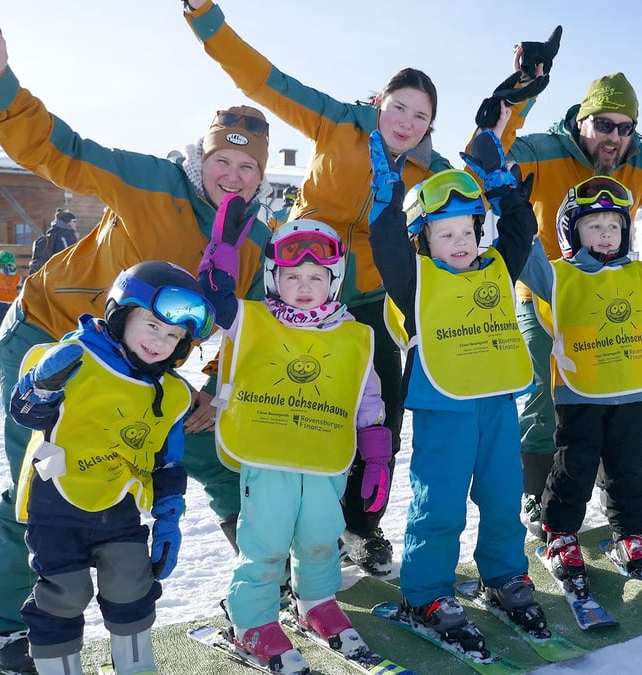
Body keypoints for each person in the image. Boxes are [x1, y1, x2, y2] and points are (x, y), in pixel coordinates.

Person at [0, 12, 275, 671]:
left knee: (224, 460)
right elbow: (64, 150)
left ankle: (266, 590)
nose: (233, 175)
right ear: (201, 159)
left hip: (148, 364)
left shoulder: (254, 240)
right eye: (222, 160)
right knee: (45, 479)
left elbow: (236, 325)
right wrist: (0, 87)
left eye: (248, 166)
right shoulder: (150, 182)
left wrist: (209, 389)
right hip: (54, 336)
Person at [181, 0, 455, 575]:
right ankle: (265, 526)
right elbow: (265, 80)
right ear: (379, 104)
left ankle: (359, 527)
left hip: (370, 301)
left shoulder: (430, 171)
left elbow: (480, 189)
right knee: (280, 396)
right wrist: (207, 20)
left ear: (430, 125)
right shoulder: (338, 123)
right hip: (299, 282)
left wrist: (514, 107)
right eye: (398, 107)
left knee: (380, 415)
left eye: (420, 116)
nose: (406, 122)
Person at [489, 44, 642, 538]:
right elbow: (490, 157)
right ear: (582, 120)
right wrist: (521, 91)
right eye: (603, 125)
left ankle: (606, 481)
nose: (614, 137)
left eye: (624, 128)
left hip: (610, 294)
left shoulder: (638, 159)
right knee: (544, 397)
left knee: (615, 397)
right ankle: (538, 492)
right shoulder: (543, 151)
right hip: (547, 291)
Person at [368, 131, 545, 654]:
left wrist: (503, 189)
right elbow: (387, 246)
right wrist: (385, 198)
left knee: (503, 496)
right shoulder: (415, 281)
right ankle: (425, 593)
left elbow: (521, 231)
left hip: (496, 404)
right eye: (444, 234)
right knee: (440, 503)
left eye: (467, 230)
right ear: (423, 240)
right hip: (442, 408)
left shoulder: (497, 269)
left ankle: (505, 575)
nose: (460, 241)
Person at [198, 195, 388, 671]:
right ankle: (252, 620)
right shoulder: (253, 320)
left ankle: (317, 601)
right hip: (268, 458)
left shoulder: (352, 334)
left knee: (322, 536)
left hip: (324, 458)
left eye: (316, 277)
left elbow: (366, 395)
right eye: (293, 277)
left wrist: (377, 456)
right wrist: (221, 254)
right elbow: (215, 303)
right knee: (265, 540)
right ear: (273, 278)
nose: (304, 286)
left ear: (333, 281)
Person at [9, 261, 212, 675]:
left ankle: (136, 667)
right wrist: (41, 385)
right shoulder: (77, 357)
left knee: (131, 583)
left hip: (120, 504)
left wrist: (168, 518)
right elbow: (26, 413)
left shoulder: (172, 392)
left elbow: (166, 461)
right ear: (121, 313)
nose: (160, 341)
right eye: (152, 325)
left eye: (174, 336)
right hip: (57, 503)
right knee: (64, 592)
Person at [520, 171, 642, 588]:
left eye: (613, 225)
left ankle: (631, 535)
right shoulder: (559, 277)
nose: (605, 233)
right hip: (580, 395)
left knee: (629, 470)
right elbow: (525, 259)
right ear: (571, 232)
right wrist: (516, 213)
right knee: (573, 469)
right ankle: (561, 535)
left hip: (633, 395)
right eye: (593, 225)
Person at [27, 209, 78, 275]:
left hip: (49, 271)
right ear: (68, 222)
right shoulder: (65, 235)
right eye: (74, 221)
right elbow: (69, 255)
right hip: (61, 273)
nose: (76, 224)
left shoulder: (52, 233)